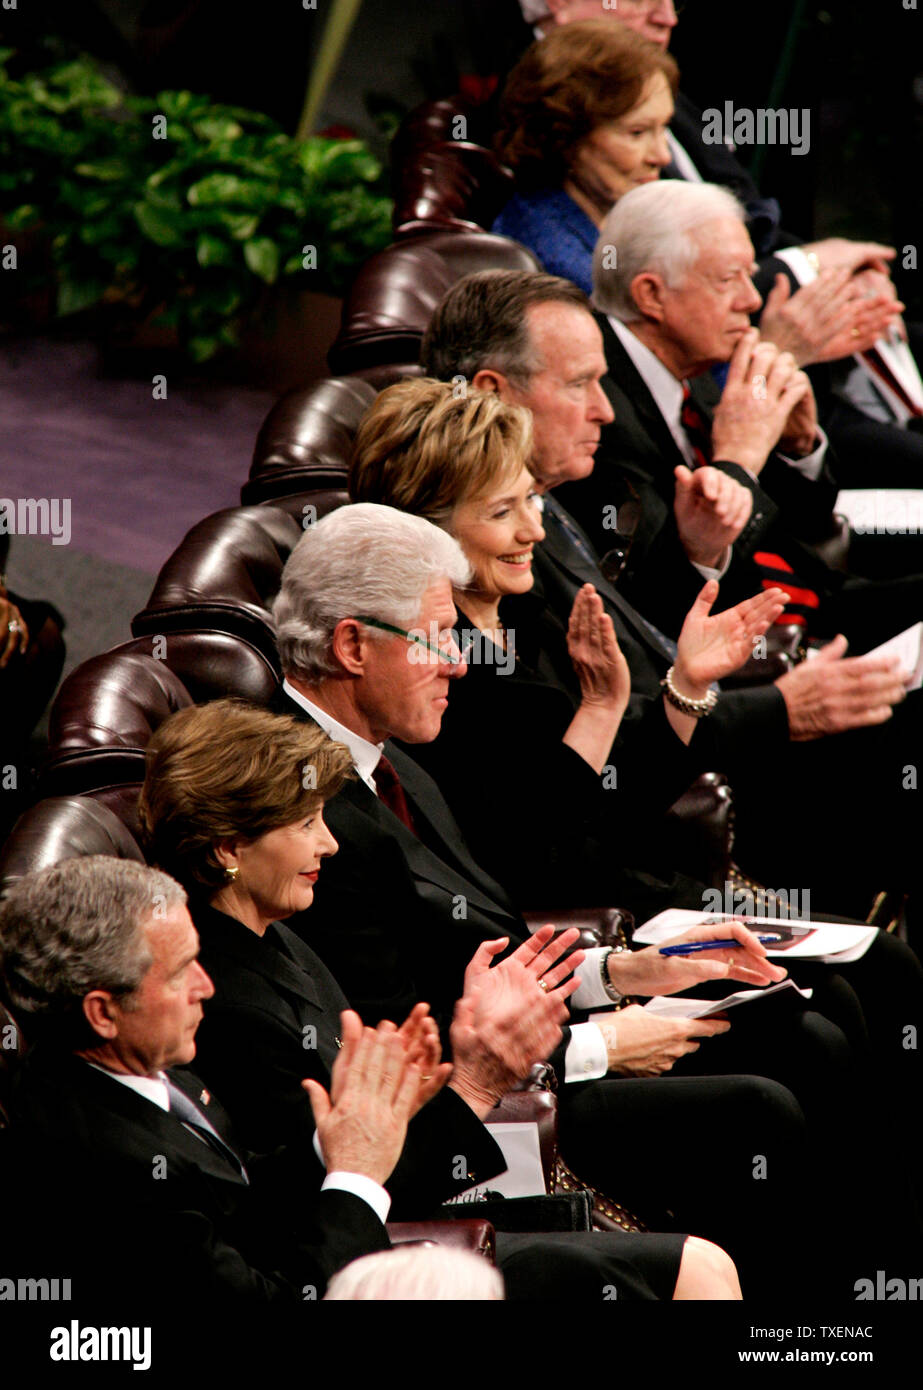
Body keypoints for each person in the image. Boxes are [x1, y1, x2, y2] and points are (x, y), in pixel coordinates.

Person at [266, 498, 862, 1297]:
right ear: (349, 644)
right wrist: (604, 1044)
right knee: (769, 1093)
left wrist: (626, 975)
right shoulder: (301, 820)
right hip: (476, 1114)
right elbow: (393, 1044)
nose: (458, 661)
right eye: (437, 638)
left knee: (814, 1017)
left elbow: (497, 938)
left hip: (533, 1046)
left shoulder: (386, 757)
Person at [137, 696, 736, 1300]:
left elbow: (372, 1114)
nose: (330, 845)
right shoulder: (226, 1004)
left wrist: (470, 1035)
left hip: (409, 1215)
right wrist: (476, 1078)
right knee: (699, 1268)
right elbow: (341, 1192)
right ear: (228, 849)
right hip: (373, 1260)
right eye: (304, 825)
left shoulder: (274, 932)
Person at [421, 262, 923, 919]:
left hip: (688, 735)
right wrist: (773, 706)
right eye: (579, 385)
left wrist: (702, 556)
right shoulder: (485, 551)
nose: (602, 407)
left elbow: (642, 625)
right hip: (663, 795)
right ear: (493, 392)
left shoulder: (537, 497)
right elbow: (570, 794)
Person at [348, 375, 787, 911]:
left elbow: (626, 799)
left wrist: (687, 682)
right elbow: (537, 853)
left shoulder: (532, 614)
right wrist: (601, 708)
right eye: (501, 512)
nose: (535, 529)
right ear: (426, 531)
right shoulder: (434, 669)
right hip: (590, 922)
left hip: (648, 886)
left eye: (532, 498)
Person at [0, 857, 416, 1303]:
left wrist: (334, 1144)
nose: (207, 986)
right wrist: (355, 1179)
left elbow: (236, 1194)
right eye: (180, 972)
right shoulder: (109, 1171)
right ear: (103, 1013)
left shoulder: (137, 1066)